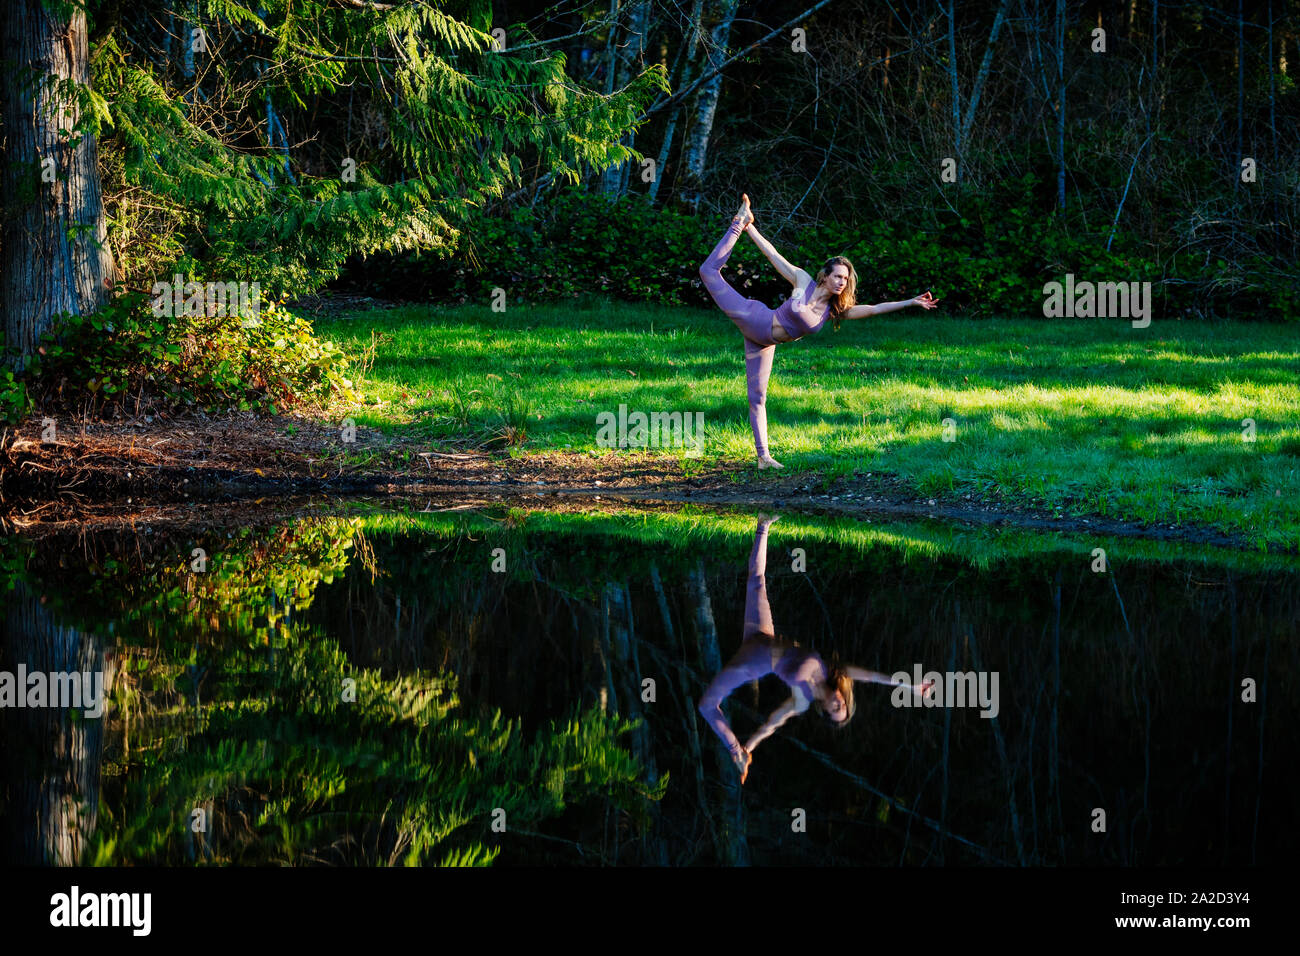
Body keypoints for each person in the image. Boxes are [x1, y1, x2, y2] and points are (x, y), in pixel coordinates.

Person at [698, 194, 939, 468]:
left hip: (764, 343)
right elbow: (772, 254)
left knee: (758, 398)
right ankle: (737, 223)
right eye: (838, 276)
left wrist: (910, 302)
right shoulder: (803, 279)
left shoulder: (834, 310)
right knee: (708, 271)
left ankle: (763, 457)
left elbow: (873, 308)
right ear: (825, 275)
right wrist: (748, 227)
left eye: (846, 279)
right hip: (755, 319)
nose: (841, 282)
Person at [697, 513, 933, 784]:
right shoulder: (834, 671)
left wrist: (747, 748)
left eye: (835, 709)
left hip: (753, 661)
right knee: (757, 578)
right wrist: (911, 687)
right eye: (843, 704)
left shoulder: (802, 700)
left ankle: (733, 749)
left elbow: (773, 722)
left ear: (824, 710)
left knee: (706, 704)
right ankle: (763, 524)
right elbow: (872, 676)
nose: (838, 703)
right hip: (762, 635)